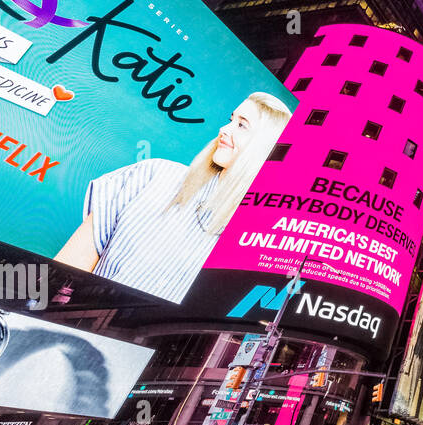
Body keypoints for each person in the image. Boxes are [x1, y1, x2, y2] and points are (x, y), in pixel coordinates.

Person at [56, 92, 291, 303]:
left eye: (242, 125)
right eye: (231, 120)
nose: (225, 130)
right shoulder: (153, 174)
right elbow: (67, 266)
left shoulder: (256, 238)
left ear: (267, 146)